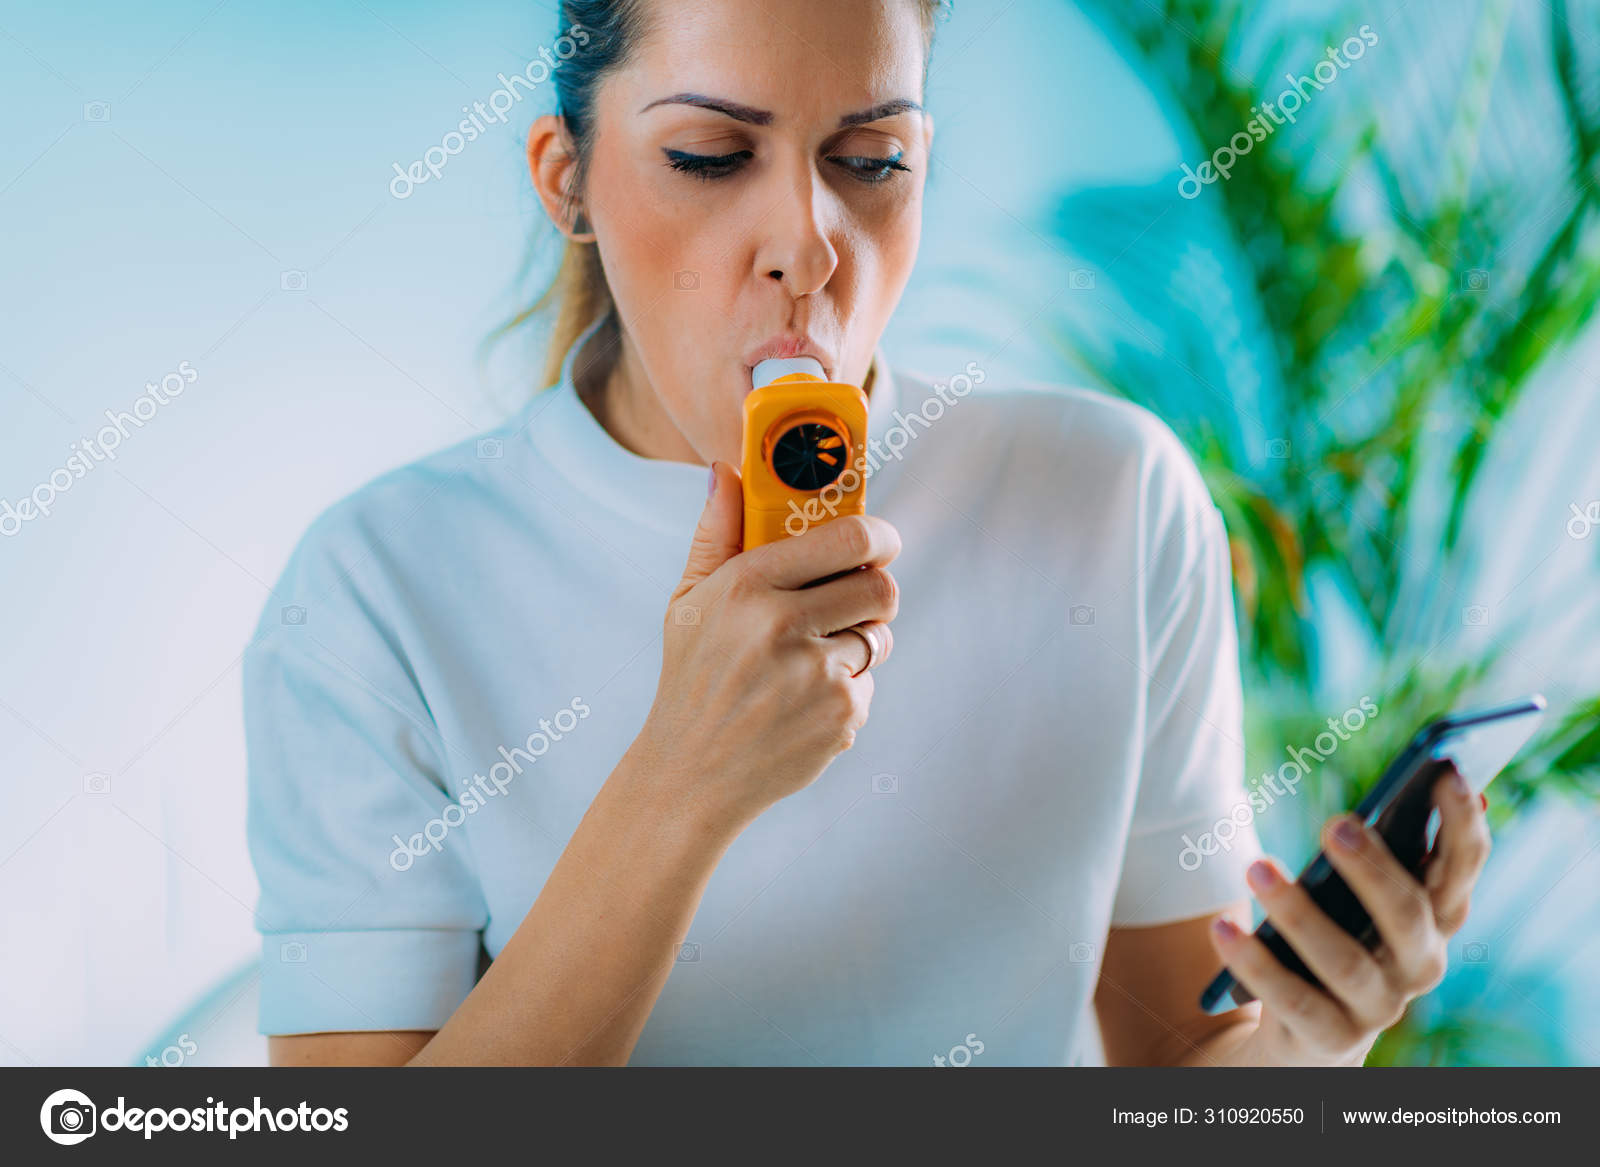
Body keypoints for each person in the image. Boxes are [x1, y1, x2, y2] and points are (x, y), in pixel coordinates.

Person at [245, 0, 1493, 1066]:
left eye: (869, 160)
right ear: (566, 177)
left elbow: (1180, 1067)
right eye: (707, 155)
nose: (806, 244)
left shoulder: (1106, 499)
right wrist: (680, 784)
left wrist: (1309, 1038)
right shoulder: (377, 590)